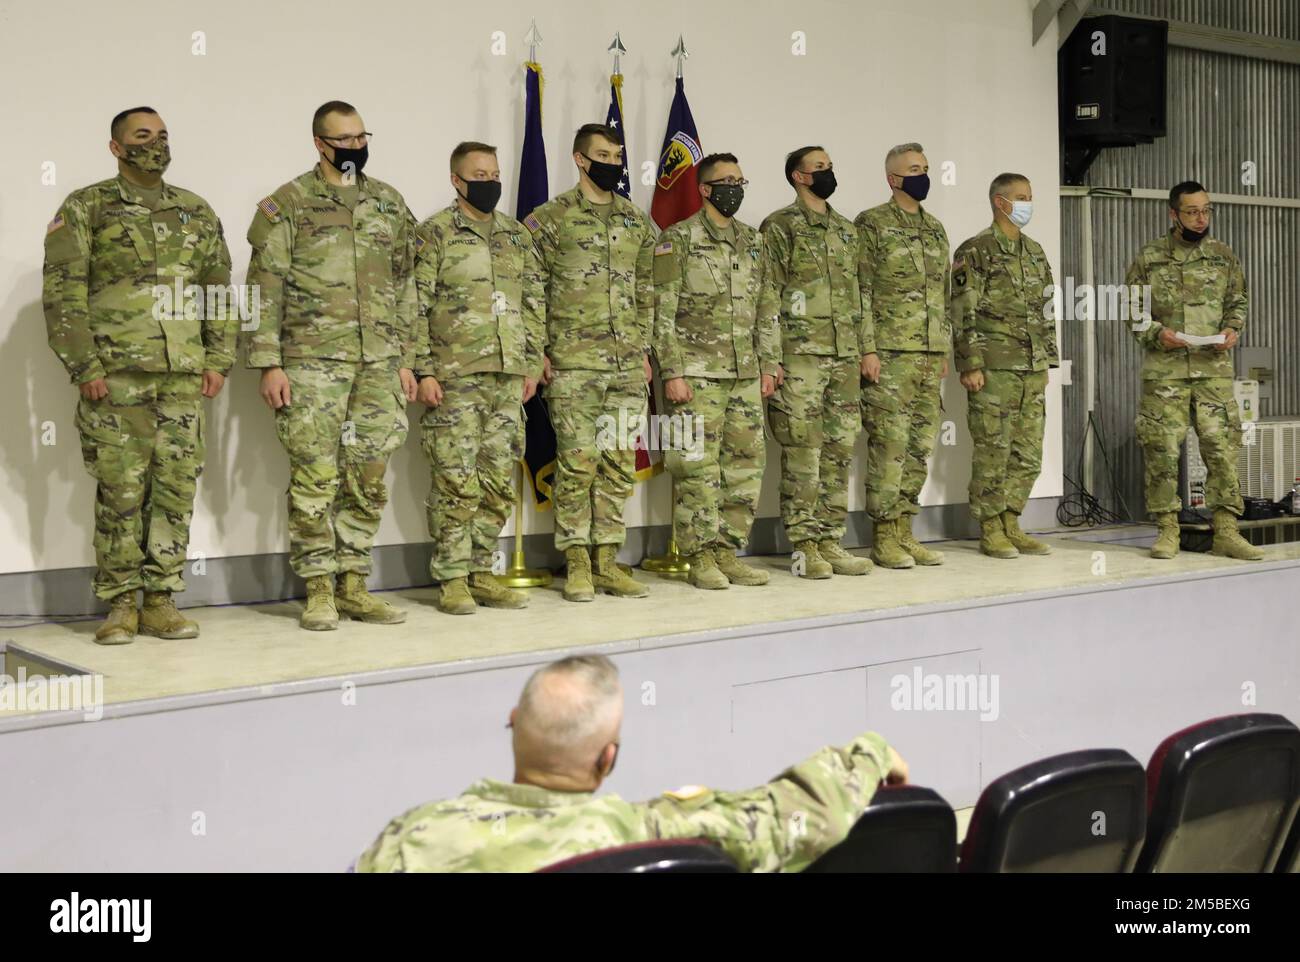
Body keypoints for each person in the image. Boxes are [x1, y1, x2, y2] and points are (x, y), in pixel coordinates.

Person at [355, 654, 907, 872]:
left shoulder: (411, 839)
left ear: (512, 724)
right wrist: (870, 753)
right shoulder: (649, 837)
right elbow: (803, 818)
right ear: (608, 759)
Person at [43, 106, 234, 645]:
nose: (155, 144)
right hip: (116, 374)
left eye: (163, 135)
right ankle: (121, 603)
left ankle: (162, 600)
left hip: (182, 377)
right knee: (121, 490)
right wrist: (84, 366)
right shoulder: (87, 207)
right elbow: (63, 292)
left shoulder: (194, 211)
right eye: (142, 136)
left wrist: (218, 359)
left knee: (174, 490)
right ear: (116, 147)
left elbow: (218, 291)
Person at [245, 101, 419, 630]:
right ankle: (319, 588)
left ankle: (354, 585)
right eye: (343, 140)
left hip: (378, 365)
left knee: (368, 475)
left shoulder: (388, 203)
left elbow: (407, 285)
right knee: (316, 476)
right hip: (312, 364)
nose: (355, 147)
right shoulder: (289, 204)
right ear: (320, 145)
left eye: (361, 136)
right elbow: (263, 287)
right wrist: (267, 363)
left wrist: (407, 359)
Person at [524, 124, 656, 602]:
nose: (613, 163)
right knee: (578, 463)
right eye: (603, 155)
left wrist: (643, 350)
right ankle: (576, 560)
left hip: (624, 365)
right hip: (572, 364)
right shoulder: (550, 218)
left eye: (618, 155)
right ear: (580, 159)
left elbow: (647, 290)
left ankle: (607, 560)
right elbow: (530, 289)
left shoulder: (636, 221)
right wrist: (536, 351)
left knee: (618, 464)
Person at [413, 142, 545, 615]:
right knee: (455, 481)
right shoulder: (435, 233)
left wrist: (532, 361)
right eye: (479, 173)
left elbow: (533, 302)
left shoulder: (515, 235)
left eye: (494, 172)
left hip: (508, 378)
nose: (489, 180)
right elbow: (416, 305)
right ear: (456, 180)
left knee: (495, 481)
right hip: (455, 379)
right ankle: (451, 579)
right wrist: (424, 369)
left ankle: (480, 571)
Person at [652, 152, 780, 589]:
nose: (735, 189)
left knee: (745, 466)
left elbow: (767, 307)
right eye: (726, 181)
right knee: (696, 467)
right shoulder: (677, 239)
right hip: (696, 373)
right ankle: (700, 556)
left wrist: (769, 363)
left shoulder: (753, 241)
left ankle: (728, 550)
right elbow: (661, 312)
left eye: (741, 181)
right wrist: (672, 372)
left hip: (745, 373)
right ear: (704, 189)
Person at [1124, 181, 1262, 561]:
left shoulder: (1223, 255)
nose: (1201, 218)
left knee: (1221, 449)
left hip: (1213, 370)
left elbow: (1238, 299)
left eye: (1206, 210)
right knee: (1162, 452)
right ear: (1174, 214)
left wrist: (1233, 328)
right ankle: (1168, 530)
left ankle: (1227, 531)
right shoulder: (1149, 257)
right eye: (1192, 211)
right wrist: (1157, 333)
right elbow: (1133, 314)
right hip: (1165, 373)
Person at [758, 146, 872, 579]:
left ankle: (830, 539)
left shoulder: (846, 230)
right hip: (800, 356)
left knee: (840, 450)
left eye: (829, 166)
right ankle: (804, 546)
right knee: (803, 452)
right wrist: (771, 358)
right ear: (798, 177)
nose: (827, 173)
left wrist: (867, 349)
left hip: (843, 356)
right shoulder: (781, 226)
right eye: (818, 168)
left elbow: (861, 295)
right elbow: (768, 295)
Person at [950, 173, 1058, 559]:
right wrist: (970, 364)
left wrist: (1047, 361)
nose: (1028, 203)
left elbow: (1048, 310)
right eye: (1021, 197)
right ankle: (990, 527)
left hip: (1031, 367)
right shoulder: (975, 250)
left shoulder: (1035, 251)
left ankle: (1013, 520)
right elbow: (963, 309)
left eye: (1030, 196)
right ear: (1000, 202)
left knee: (1027, 451)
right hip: (994, 367)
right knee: (993, 449)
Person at [856, 143, 952, 569]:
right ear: (893, 178)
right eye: (915, 169)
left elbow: (943, 296)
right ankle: (883, 535)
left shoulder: (935, 229)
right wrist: (868, 348)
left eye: (926, 168)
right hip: (891, 356)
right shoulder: (871, 224)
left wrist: (943, 346)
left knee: (918, 448)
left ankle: (906, 529)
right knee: (889, 447)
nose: (923, 175)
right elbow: (860, 291)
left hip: (930, 356)